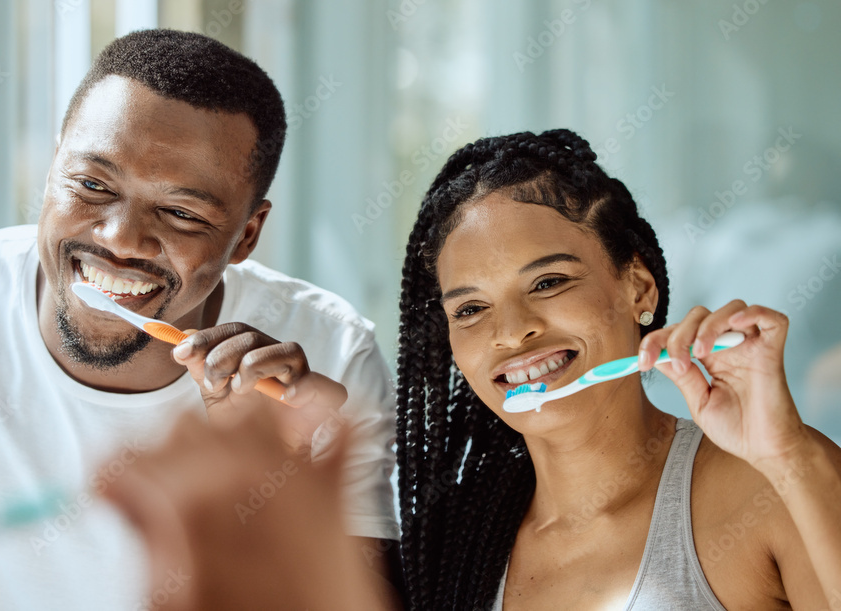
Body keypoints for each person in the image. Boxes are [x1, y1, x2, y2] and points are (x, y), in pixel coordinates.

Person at [104, 129, 841, 611]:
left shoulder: (769, 485)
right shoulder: (454, 539)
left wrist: (791, 452)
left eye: (549, 282)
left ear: (638, 288)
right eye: (470, 309)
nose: (514, 331)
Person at [0, 30, 400, 610]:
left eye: (182, 213)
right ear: (54, 163)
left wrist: (281, 495)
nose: (120, 239)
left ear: (246, 236)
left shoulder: (331, 356)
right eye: (90, 185)